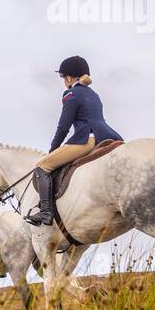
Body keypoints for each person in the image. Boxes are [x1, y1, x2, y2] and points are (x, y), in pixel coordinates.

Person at [27, 56, 124, 226]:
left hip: (85, 139)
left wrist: (53, 149)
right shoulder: (94, 94)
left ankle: (46, 213)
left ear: (69, 77)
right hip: (106, 137)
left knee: (41, 167)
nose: (64, 81)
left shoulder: (70, 93)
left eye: (63, 77)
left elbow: (63, 127)